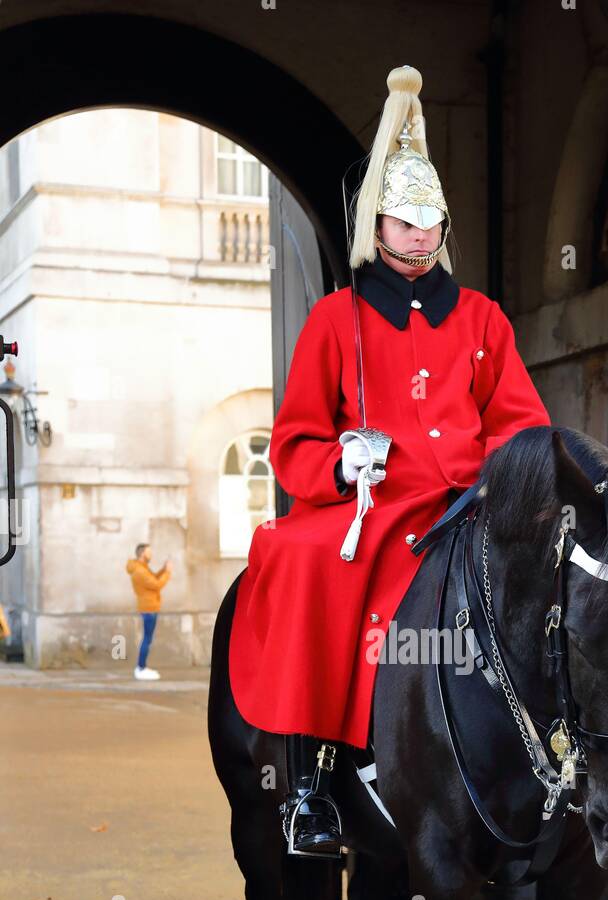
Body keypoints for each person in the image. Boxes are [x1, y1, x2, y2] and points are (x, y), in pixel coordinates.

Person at [228, 64, 551, 857]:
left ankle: (570, 759)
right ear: (377, 226)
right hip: (373, 506)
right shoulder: (335, 320)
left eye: (429, 221)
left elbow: (520, 423)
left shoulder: (481, 318)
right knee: (302, 560)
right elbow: (294, 442)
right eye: (403, 222)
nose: (417, 235)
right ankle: (310, 787)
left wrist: (507, 484)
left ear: (443, 227)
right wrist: (342, 464)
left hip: (468, 503)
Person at [126, 542, 171, 680]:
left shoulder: (142, 568)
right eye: (149, 552)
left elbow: (154, 578)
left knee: (147, 638)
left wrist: (163, 569)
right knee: (147, 639)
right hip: (148, 609)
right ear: (142, 553)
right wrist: (168, 572)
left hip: (150, 608)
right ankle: (141, 668)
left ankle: (142, 667)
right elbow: (156, 584)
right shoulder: (139, 571)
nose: (151, 554)